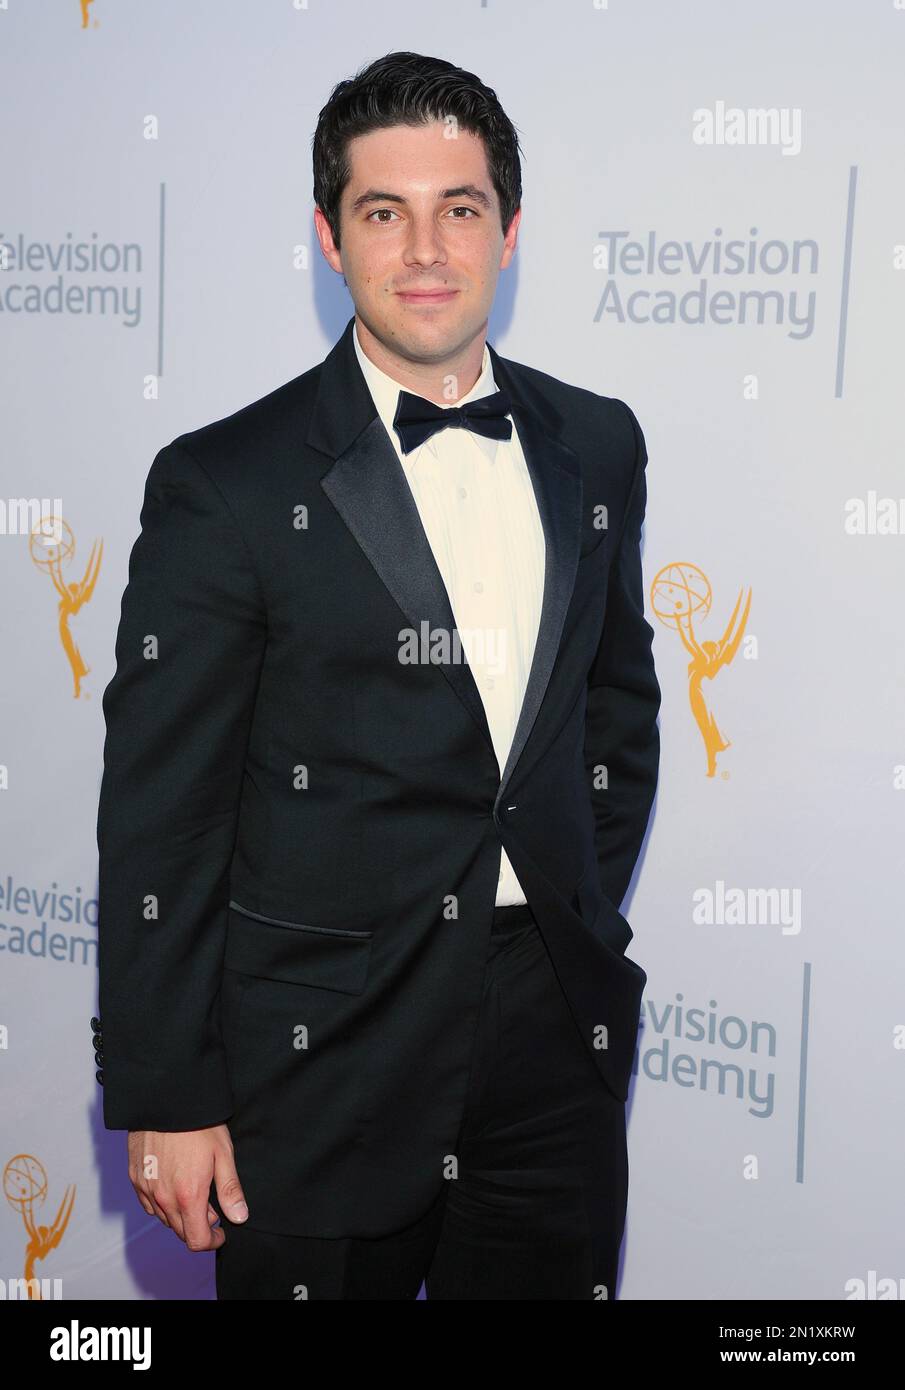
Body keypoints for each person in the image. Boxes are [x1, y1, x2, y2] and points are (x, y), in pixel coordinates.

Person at [93, 50, 661, 1300]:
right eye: (381, 211)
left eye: (459, 209)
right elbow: (162, 818)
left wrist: (568, 912)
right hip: (316, 1057)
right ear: (327, 237)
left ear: (508, 233)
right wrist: (167, 1091)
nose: (424, 248)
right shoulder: (225, 484)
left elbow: (613, 714)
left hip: (545, 1043)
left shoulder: (597, 442)